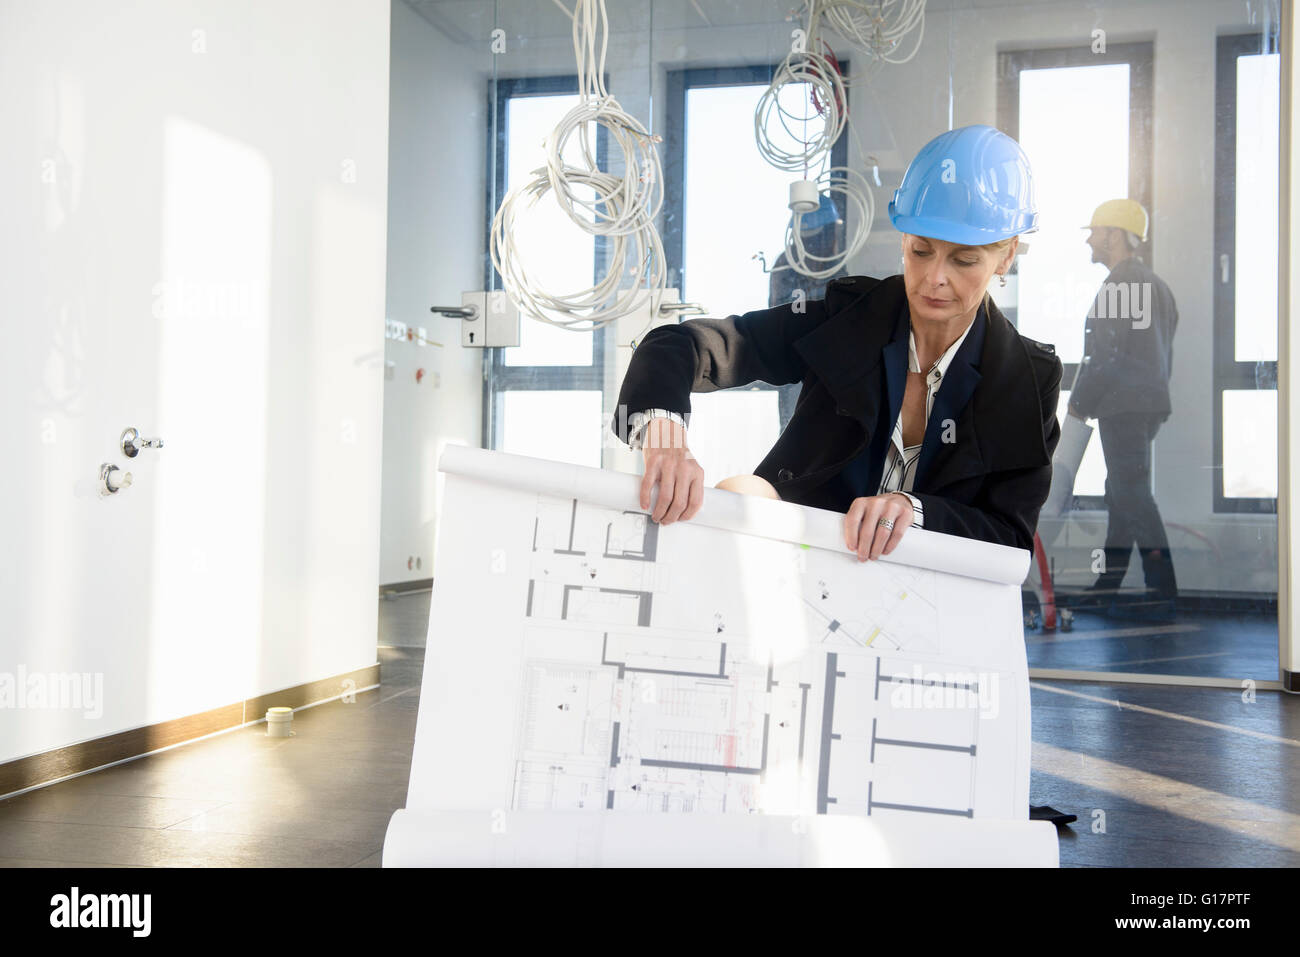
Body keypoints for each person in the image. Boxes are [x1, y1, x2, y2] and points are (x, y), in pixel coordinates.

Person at [611, 124, 1063, 562]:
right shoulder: (849, 318)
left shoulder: (1026, 377)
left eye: (964, 259)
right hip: (802, 565)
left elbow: (1008, 534)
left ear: (1006, 256)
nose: (934, 278)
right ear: (904, 237)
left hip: (928, 596)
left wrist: (914, 510)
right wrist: (665, 437)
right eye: (920, 251)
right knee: (741, 495)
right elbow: (677, 344)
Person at [1067, 199, 1179, 619]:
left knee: (1130, 494)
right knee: (1121, 494)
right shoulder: (1157, 287)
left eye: (1095, 232)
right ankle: (1109, 586)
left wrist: (1079, 403)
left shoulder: (1120, 285)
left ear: (1115, 234)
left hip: (1123, 406)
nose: (1090, 241)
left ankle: (1162, 590)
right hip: (1146, 406)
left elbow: (1107, 356)